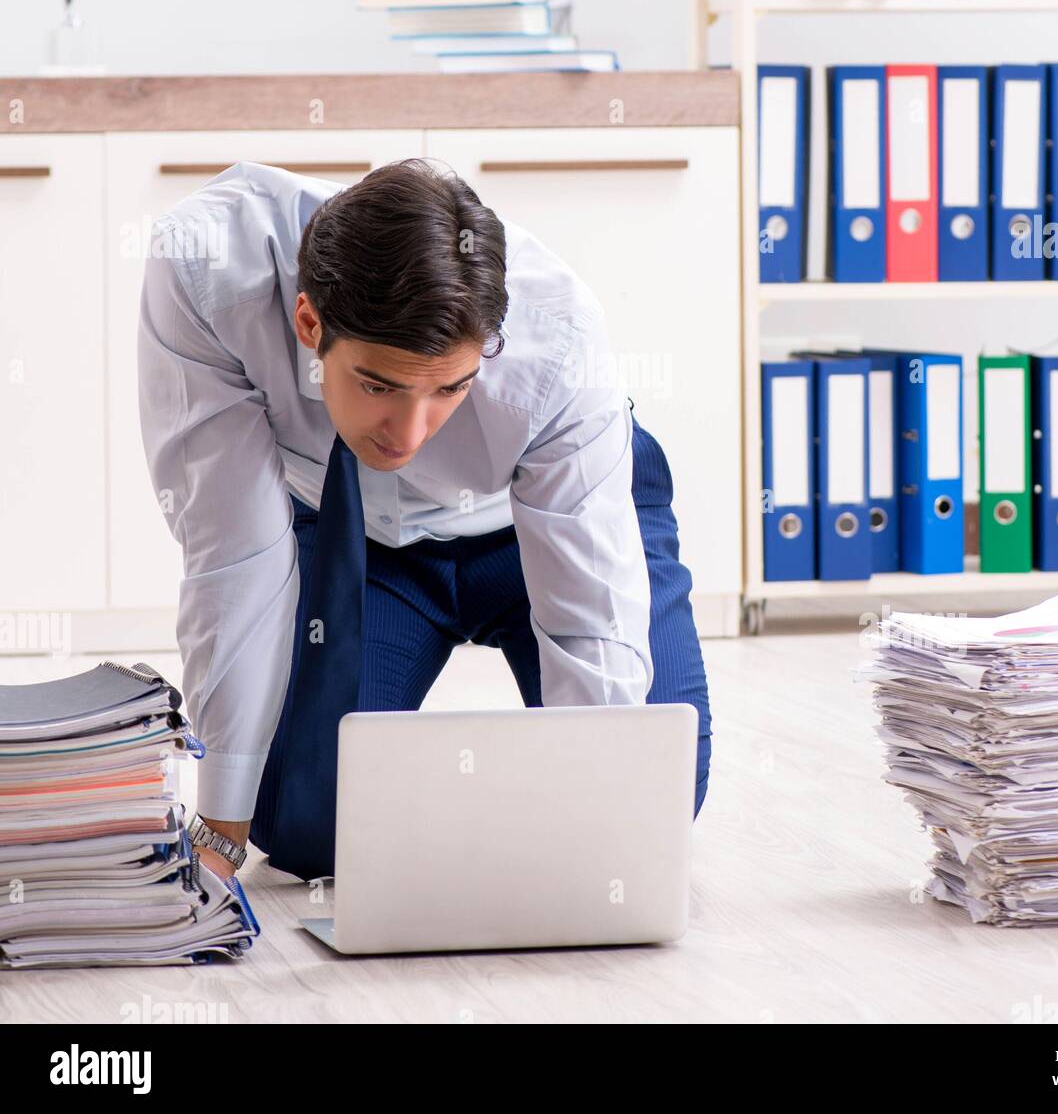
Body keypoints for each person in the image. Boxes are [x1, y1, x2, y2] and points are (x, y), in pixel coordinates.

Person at [137, 158, 712, 883]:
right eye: (378, 385)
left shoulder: (559, 338)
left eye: (451, 389)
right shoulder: (207, 271)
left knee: (649, 789)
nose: (409, 433)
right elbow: (236, 551)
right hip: (358, 536)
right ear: (309, 321)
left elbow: (589, 611)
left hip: (535, 522)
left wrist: (597, 813)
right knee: (301, 821)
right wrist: (220, 830)